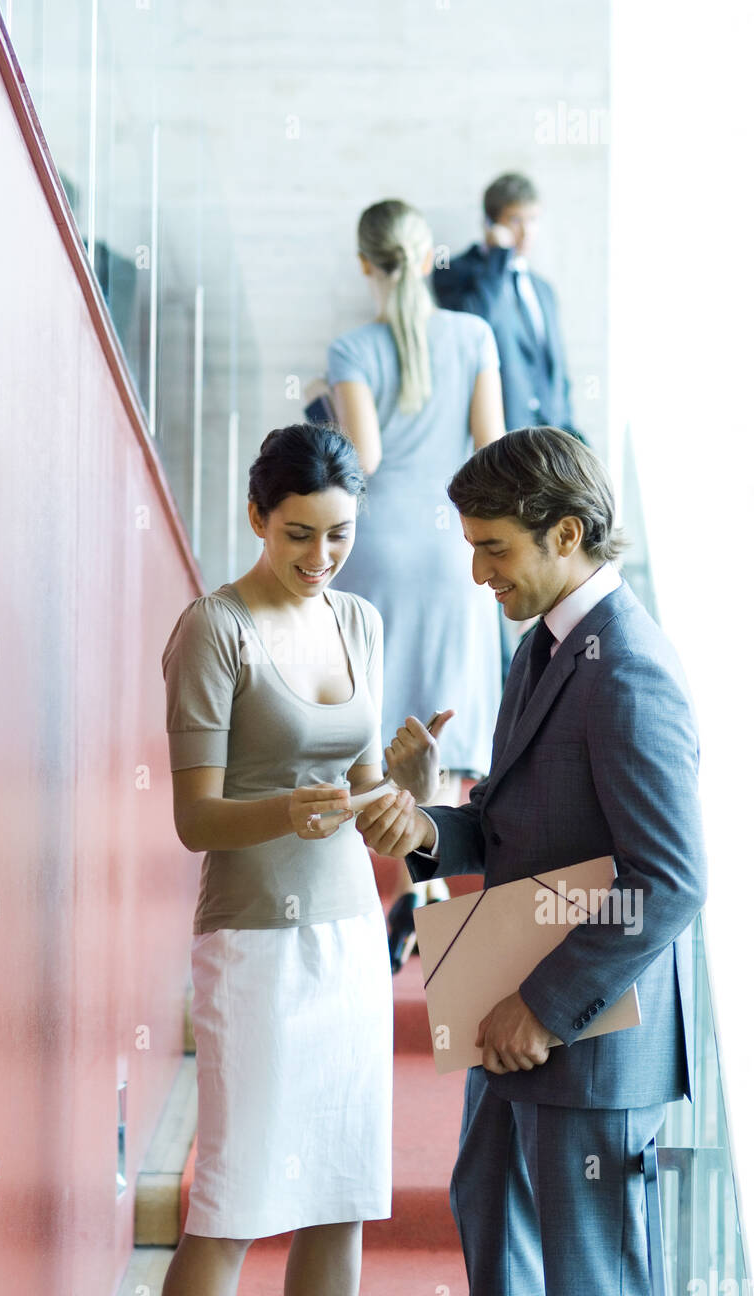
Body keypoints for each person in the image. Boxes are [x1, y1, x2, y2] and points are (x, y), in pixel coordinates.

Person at [354, 426, 707, 1296]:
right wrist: (428, 828)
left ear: (566, 534)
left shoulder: (627, 671)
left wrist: (542, 1009)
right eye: (473, 548)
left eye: (493, 549)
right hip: (508, 1019)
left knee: (596, 1291)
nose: (478, 575)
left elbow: (668, 882)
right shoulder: (543, 646)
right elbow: (513, 824)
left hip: (583, 1039)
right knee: (487, 1217)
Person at [159, 423, 398, 1296]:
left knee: (338, 1202)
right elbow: (195, 820)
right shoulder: (213, 630)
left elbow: (367, 807)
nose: (321, 555)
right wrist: (285, 811)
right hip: (255, 949)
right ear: (257, 515)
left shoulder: (361, 623)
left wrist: (400, 790)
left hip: (350, 943)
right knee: (232, 1208)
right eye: (299, 533)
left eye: (339, 534)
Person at [326, 197, 506, 965]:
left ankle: (410, 885)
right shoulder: (473, 335)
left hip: (378, 552)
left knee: (379, 724)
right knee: (442, 728)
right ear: (427, 255)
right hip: (450, 550)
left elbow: (358, 461)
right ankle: (429, 886)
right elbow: (493, 449)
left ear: (365, 264)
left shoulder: (351, 349)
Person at [432, 173, 580, 439]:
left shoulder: (543, 289)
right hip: (500, 441)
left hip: (553, 439)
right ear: (490, 223)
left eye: (533, 219)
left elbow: (557, 369)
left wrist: (569, 428)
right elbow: (478, 321)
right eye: (515, 220)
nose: (526, 232)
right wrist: (499, 256)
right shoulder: (455, 273)